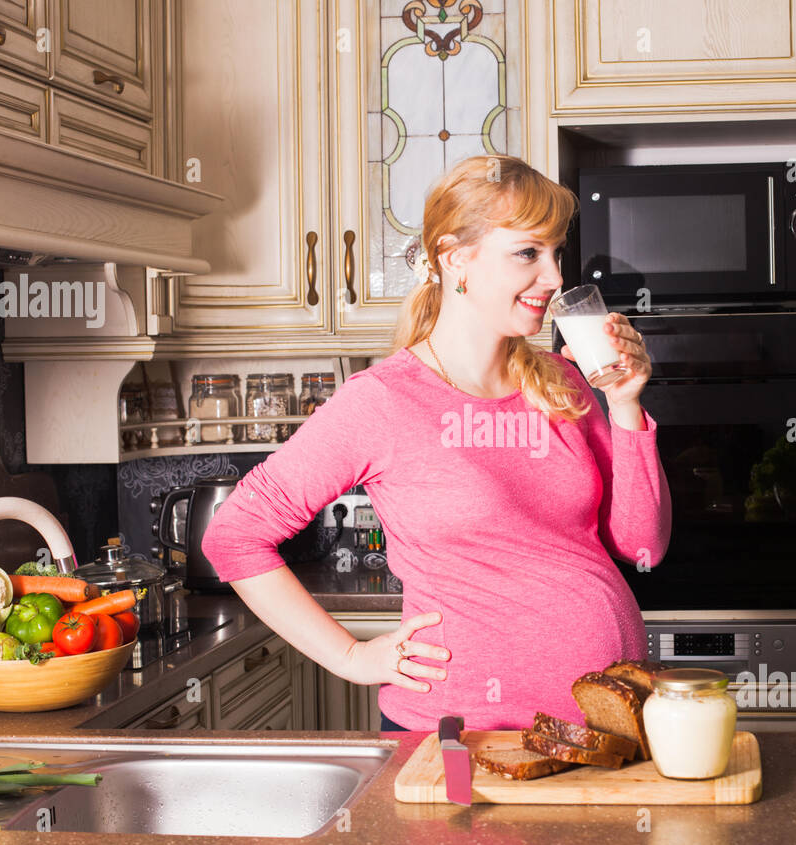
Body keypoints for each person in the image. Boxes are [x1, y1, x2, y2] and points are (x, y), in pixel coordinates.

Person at [200, 153, 672, 732]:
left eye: (556, 254)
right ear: (455, 259)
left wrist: (625, 405)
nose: (553, 279)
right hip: (467, 736)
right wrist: (351, 656)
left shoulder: (565, 381)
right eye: (528, 252)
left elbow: (640, 544)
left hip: (612, 720)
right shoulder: (382, 401)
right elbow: (234, 536)